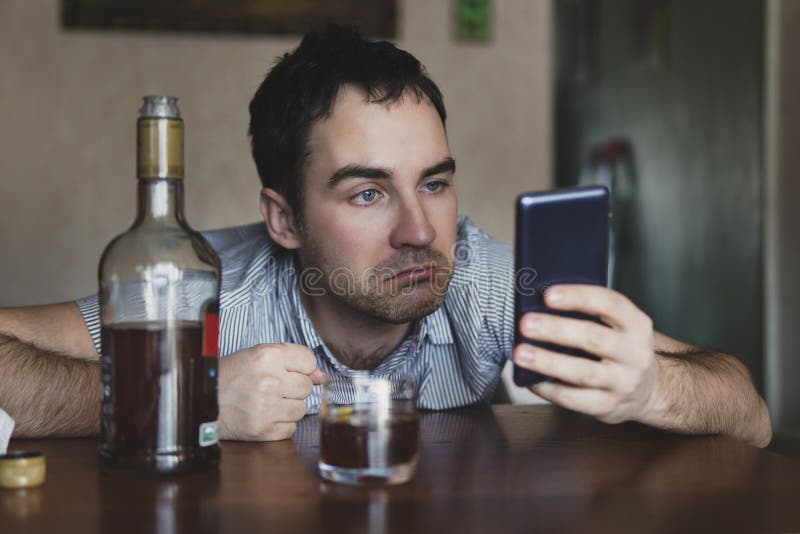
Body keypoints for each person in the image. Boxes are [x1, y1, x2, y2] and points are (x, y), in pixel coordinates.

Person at [0, 25, 771, 447]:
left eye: (433, 182)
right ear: (284, 220)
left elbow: (751, 411)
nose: (419, 230)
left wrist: (654, 388)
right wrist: (186, 397)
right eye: (368, 192)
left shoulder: (480, 280)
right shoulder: (207, 288)